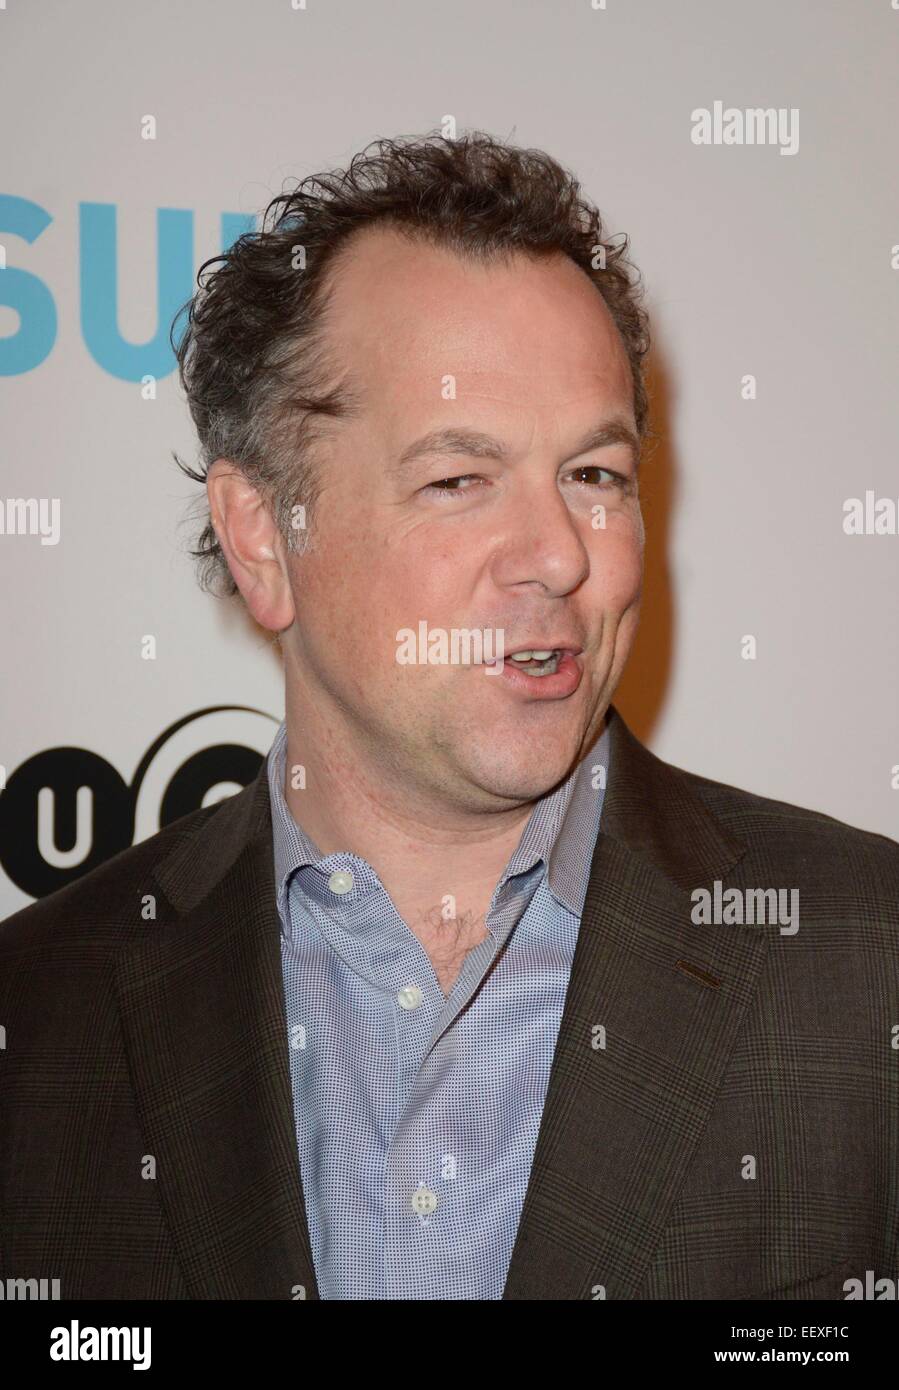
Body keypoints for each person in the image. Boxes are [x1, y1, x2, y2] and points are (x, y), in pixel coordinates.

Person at [1, 132, 896, 1301]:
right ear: (264, 537)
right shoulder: (36, 1016)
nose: (558, 557)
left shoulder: (863, 965)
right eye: (457, 480)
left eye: (594, 476)